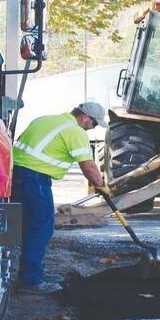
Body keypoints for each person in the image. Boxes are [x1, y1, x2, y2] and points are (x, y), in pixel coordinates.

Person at [12, 103, 109, 294]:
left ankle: (33, 272)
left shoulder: (45, 120)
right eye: (94, 123)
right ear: (85, 117)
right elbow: (88, 167)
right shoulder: (75, 131)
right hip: (35, 179)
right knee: (41, 227)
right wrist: (102, 186)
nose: (92, 128)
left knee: (29, 227)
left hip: (15, 175)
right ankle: (30, 280)